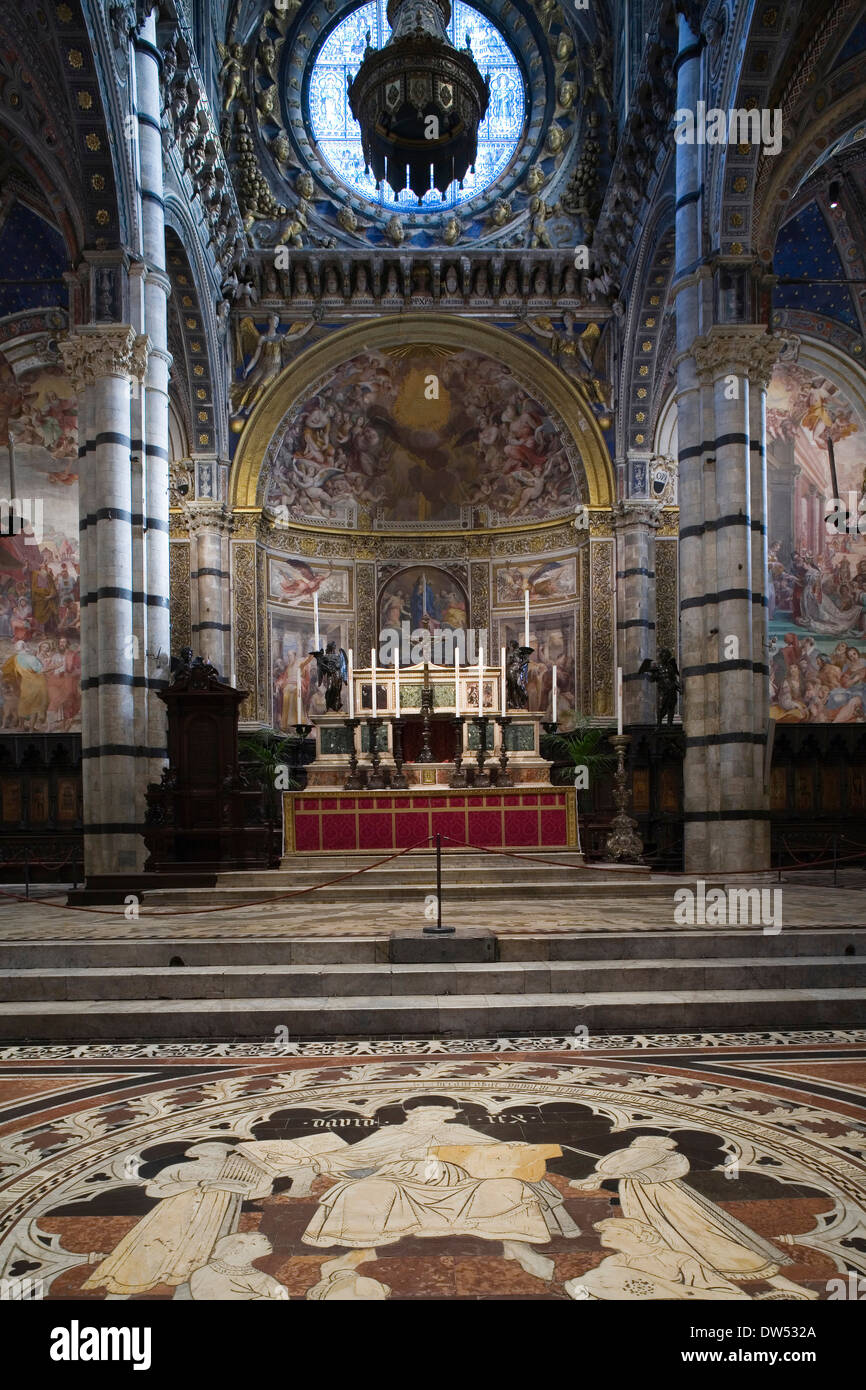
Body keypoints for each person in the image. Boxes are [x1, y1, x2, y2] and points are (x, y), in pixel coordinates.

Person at [569, 1135, 816, 1298]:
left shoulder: (666, 1164)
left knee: (705, 1237)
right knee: (670, 1238)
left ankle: (778, 1284)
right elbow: (619, 1168)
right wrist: (600, 1177)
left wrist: (601, 1177)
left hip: (669, 1201)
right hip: (647, 1199)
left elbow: (639, 1170)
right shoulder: (647, 1166)